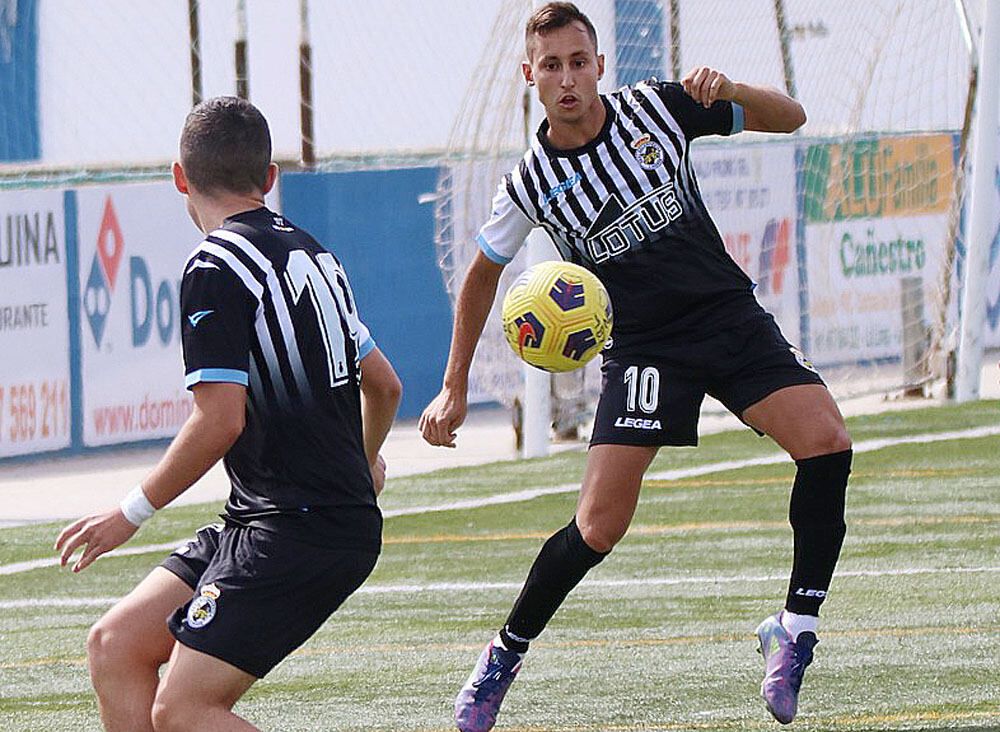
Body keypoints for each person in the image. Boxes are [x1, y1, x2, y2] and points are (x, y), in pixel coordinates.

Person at [419, 3, 851, 729]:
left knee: (828, 440)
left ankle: (795, 629)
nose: (566, 79)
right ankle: (503, 655)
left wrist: (733, 89)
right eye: (550, 66)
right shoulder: (529, 182)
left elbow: (793, 116)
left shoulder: (658, 108)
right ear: (531, 75)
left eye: (578, 62)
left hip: (726, 317)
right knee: (597, 526)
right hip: (645, 350)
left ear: (599, 66)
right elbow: (481, 275)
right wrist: (454, 384)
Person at [55, 96, 402, 732]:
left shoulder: (215, 266)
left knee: (184, 711)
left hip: (301, 528)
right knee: (116, 646)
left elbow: (220, 423)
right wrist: (361, 458)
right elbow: (385, 385)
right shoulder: (316, 255)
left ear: (179, 177)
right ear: (270, 177)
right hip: (269, 518)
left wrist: (129, 513)